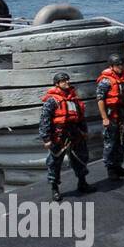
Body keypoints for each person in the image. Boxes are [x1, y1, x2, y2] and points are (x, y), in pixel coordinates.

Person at [39, 71, 91, 201]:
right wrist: (46, 138)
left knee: (80, 158)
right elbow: (45, 120)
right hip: (59, 137)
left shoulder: (74, 99)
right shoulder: (51, 101)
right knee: (54, 163)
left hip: (75, 134)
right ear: (57, 84)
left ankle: (82, 182)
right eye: (63, 81)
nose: (67, 82)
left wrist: (84, 131)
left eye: (68, 80)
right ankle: (54, 188)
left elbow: (80, 117)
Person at [95, 53, 124, 179]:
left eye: (121, 64)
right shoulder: (105, 81)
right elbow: (100, 100)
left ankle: (118, 165)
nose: (120, 67)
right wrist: (104, 118)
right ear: (112, 66)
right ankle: (110, 168)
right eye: (118, 65)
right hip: (112, 115)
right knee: (110, 143)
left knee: (122, 141)